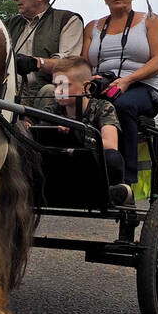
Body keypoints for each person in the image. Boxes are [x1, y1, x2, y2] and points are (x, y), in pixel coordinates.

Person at [81, 0, 158, 186]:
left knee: (122, 105)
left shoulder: (149, 20)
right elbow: (84, 64)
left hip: (142, 86)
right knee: (71, 104)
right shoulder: (92, 27)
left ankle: (124, 182)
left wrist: (127, 80)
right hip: (103, 87)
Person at [33, 56, 131, 205]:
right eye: (55, 85)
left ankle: (110, 192)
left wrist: (76, 134)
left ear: (87, 87)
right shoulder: (52, 110)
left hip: (92, 170)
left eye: (64, 85)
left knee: (113, 158)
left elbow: (111, 145)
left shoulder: (103, 107)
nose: (57, 91)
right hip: (63, 169)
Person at [3, 0, 84, 106]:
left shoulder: (67, 20)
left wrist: (36, 62)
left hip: (52, 89)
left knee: (49, 90)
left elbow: (68, 66)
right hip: (11, 90)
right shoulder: (8, 25)